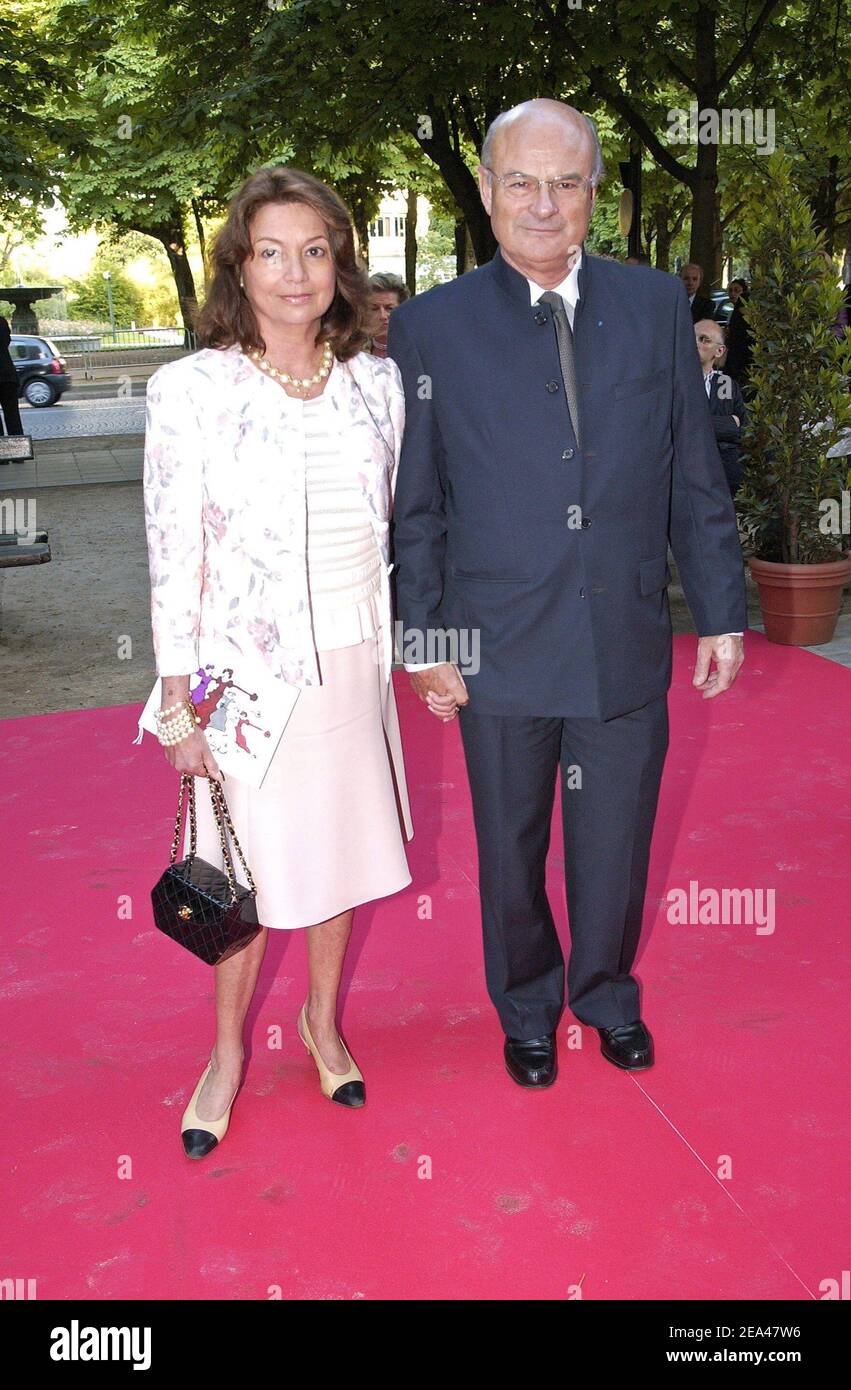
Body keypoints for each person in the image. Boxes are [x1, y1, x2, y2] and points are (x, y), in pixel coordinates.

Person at [388, 98, 745, 1089]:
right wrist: (424, 640)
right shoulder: (430, 326)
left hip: (623, 629)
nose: (542, 203)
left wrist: (718, 607)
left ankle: (602, 991)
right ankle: (527, 1007)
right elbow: (416, 504)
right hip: (492, 642)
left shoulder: (651, 305)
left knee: (613, 838)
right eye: (520, 181)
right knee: (508, 848)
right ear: (489, 189)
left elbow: (690, 468)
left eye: (564, 181)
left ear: (592, 191)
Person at [143, 166, 413, 1160]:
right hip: (238, 674)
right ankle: (222, 1053)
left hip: (350, 659)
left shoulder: (376, 385)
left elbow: (401, 533)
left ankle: (321, 1022)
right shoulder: (193, 390)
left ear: (338, 263)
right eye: (271, 251)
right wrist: (182, 703)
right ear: (238, 267)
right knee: (239, 875)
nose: (296, 273)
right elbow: (177, 551)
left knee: (335, 860)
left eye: (315, 250)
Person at [694, 319, 748, 496]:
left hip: (724, 478)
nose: (695, 344)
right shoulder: (674, 383)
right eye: (691, 338)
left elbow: (745, 430)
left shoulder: (726, 384)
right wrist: (728, 424)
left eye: (704, 339)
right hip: (686, 475)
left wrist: (696, 423)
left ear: (719, 351)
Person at [367, 271, 410, 357]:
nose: (383, 316)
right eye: (374, 309)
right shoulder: (354, 353)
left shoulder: (417, 351)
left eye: (389, 308)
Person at [723, 278, 753, 390]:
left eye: (736, 290)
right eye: (730, 290)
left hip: (739, 359)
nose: (732, 294)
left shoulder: (744, 312)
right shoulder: (732, 311)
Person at [0, 315, 24, 440]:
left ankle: (2, 455)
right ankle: (19, 450)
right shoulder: (2, 321)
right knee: (13, 414)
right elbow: (6, 341)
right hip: (7, 375)